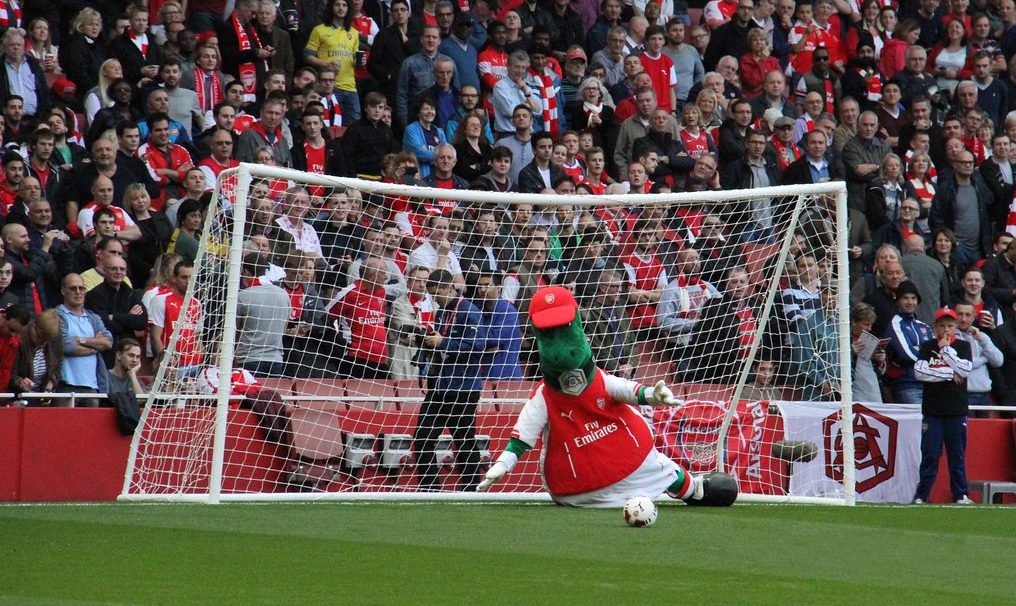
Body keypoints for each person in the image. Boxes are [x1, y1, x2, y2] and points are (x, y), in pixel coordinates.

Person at [478, 285, 737, 507]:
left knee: (662, 467)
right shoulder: (546, 396)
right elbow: (523, 434)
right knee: (661, 467)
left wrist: (652, 395)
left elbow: (630, 390)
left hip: (595, 480)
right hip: (580, 482)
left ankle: (691, 488)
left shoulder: (599, 380)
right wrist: (504, 462)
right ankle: (692, 488)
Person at [414, 268, 488, 491]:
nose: (435, 299)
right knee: (423, 437)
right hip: (440, 385)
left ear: (449, 287)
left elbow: (478, 346)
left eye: (437, 293)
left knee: (464, 440)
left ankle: (472, 489)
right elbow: (442, 341)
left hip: (463, 387)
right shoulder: (443, 312)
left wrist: (443, 342)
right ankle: (430, 490)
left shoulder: (469, 310)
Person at [913, 307, 975, 504]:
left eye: (950, 326)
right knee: (930, 454)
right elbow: (920, 373)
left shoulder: (964, 346)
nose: (946, 330)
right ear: (935, 327)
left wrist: (946, 352)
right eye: (942, 326)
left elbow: (965, 370)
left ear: (956, 327)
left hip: (956, 409)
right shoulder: (926, 346)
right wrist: (949, 374)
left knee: (956, 455)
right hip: (932, 410)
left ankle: (960, 494)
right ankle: (922, 495)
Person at [329, 255, 390, 379]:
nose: (386, 276)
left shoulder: (382, 292)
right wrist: (340, 346)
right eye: (383, 272)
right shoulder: (350, 293)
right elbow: (326, 317)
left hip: (380, 359)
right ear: (371, 276)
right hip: (356, 359)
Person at [55, 273, 112, 407]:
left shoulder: (93, 318)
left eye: (81, 288)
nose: (78, 292)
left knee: (91, 428)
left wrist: (81, 340)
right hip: (65, 386)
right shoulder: (57, 315)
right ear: (63, 291)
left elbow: (108, 342)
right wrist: (96, 346)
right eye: (73, 288)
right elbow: (66, 346)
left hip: (91, 387)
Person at [84, 254, 147, 368]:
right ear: (105, 270)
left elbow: (142, 322)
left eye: (122, 269)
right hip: (106, 355)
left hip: (128, 353)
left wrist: (115, 317)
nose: (119, 272)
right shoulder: (95, 295)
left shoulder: (131, 293)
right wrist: (128, 317)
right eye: (114, 268)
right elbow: (103, 325)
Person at [235, 251, 291, 378]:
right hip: (276, 359)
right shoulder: (283, 294)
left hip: (248, 359)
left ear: (246, 272)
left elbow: (235, 330)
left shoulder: (243, 296)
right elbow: (284, 327)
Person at [148, 260, 204, 376]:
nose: (188, 282)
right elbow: (155, 336)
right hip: (173, 366)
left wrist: (201, 358)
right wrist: (165, 364)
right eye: (184, 277)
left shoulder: (197, 303)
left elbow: (197, 336)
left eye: (191, 277)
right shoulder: (161, 300)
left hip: (194, 364)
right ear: (174, 278)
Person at [885, 279, 933, 404]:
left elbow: (935, 353)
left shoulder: (924, 327)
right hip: (907, 386)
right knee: (916, 423)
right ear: (898, 301)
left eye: (913, 298)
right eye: (905, 298)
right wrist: (924, 353)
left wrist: (918, 349)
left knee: (928, 424)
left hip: (929, 386)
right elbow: (906, 353)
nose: (910, 302)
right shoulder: (895, 324)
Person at [952, 300, 1003, 418]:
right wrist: (984, 359)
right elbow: (962, 365)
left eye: (968, 315)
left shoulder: (982, 337)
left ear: (974, 317)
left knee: (983, 434)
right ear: (954, 315)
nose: (963, 319)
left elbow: (998, 361)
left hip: (984, 394)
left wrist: (982, 340)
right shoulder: (950, 336)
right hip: (963, 394)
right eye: (960, 314)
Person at [475, 271, 524, 381]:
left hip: (507, 377)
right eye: (479, 286)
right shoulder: (478, 310)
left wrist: (476, 336)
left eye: (487, 285)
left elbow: (493, 339)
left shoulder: (508, 311)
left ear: (498, 288)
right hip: (485, 375)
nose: (482, 290)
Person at [10, 309, 62, 400]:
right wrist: (20, 382)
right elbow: (10, 371)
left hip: (42, 396)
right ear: (34, 326)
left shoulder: (55, 338)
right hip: (18, 396)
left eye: (46, 341)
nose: (42, 343)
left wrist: (48, 390)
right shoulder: (19, 338)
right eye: (40, 337)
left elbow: (57, 368)